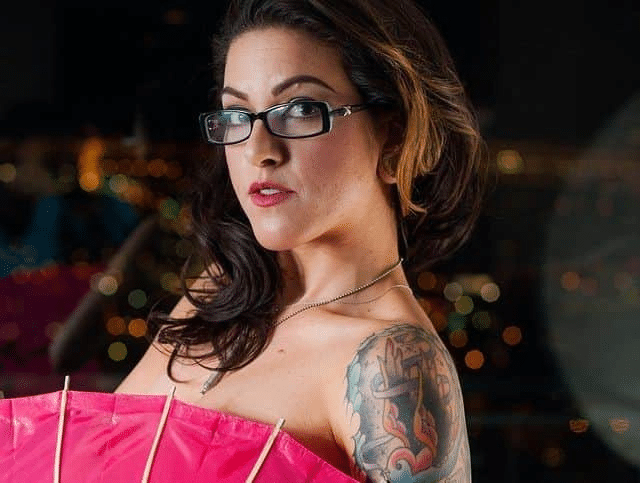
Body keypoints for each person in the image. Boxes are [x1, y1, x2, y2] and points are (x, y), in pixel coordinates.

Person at [117, 0, 486, 481]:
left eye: (300, 110)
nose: (259, 150)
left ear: (394, 136)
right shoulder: (217, 294)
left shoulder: (393, 365)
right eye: (236, 115)